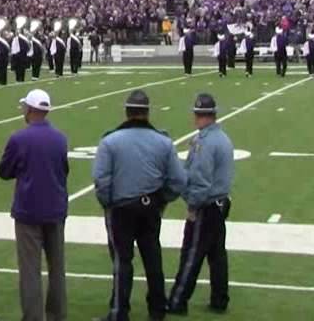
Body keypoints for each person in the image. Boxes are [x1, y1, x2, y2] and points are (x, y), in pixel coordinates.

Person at [92, 90, 187, 321]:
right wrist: (162, 200)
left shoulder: (110, 141)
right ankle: (157, 309)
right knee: (153, 257)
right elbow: (179, 180)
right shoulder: (163, 142)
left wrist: (108, 203)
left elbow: (101, 179)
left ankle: (119, 312)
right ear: (147, 112)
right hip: (151, 206)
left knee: (122, 261)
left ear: (127, 112)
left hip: (120, 208)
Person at [0, 89, 68, 321]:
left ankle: (33, 317)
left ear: (29, 109)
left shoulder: (19, 138)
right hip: (55, 208)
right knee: (57, 267)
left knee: (30, 270)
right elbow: (64, 170)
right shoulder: (60, 138)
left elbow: (4, 171)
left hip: (28, 210)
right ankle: (57, 314)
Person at [168, 93, 234, 316]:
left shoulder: (205, 143)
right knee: (217, 255)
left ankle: (178, 301)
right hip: (220, 203)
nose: (195, 118)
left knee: (191, 254)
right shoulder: (221, 138)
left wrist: (192, 204)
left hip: (206, 206)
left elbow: (200, 180)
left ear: (205, 116)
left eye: (198, 114)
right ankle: (219, 299)